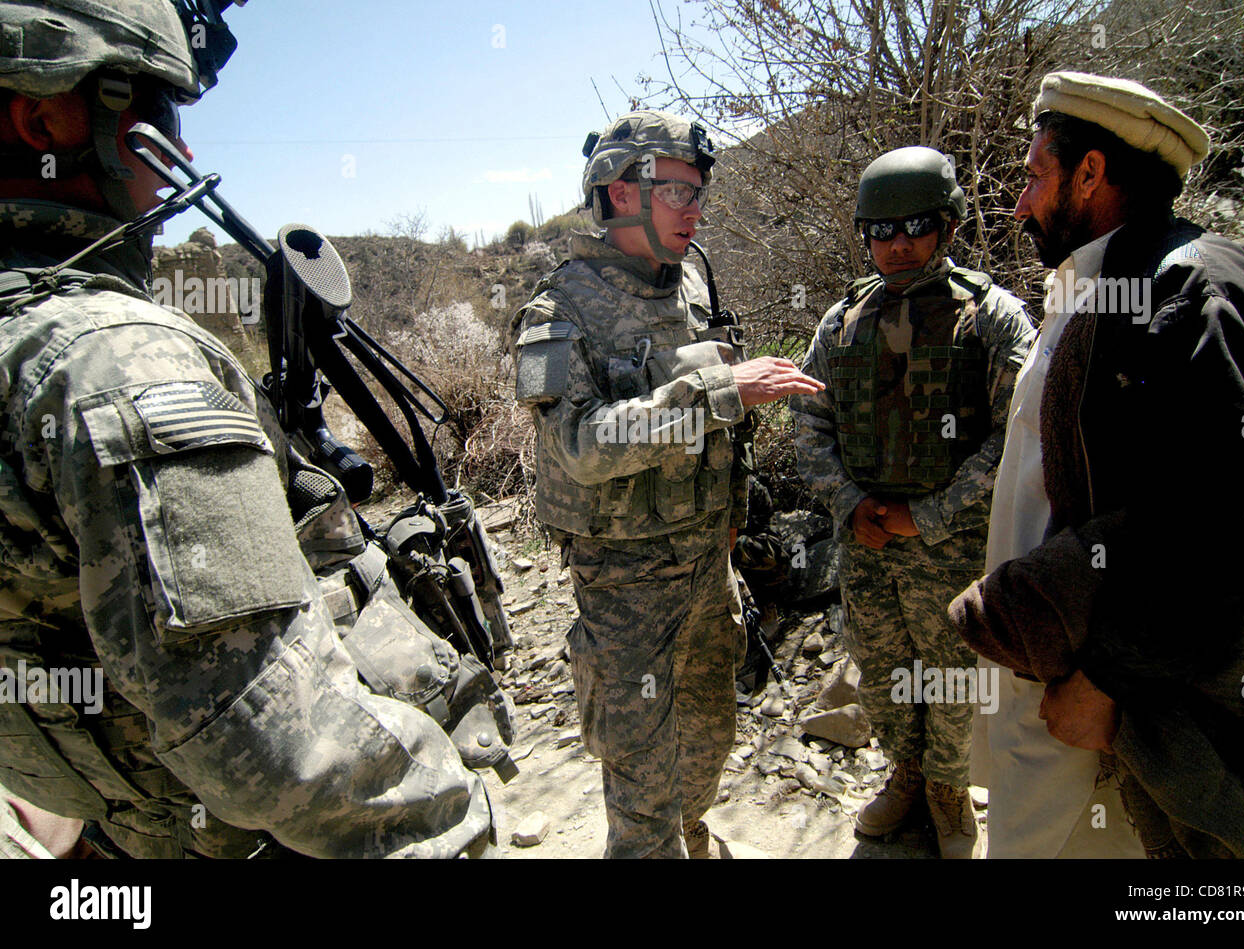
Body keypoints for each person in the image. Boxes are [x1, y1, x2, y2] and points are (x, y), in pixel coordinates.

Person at [0, 0, 500, 858]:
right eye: (155, 112)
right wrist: (455, 818)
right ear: (43, 114)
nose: (181, 152)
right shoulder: (120, 359)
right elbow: (281, 743)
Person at [948, 71, 1244, 858]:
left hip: (1104, 730)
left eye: (1035, 176)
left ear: (1092, 174)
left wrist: (1107, 680)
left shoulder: (1187, 292)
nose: (1018, 204)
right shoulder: (1105, 287)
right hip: (1065, 717)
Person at [511, 110, 822, 858]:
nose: (697, 210)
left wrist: (734, 519)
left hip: (706, 570)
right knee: (643, 797)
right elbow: (582, 446)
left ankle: (692, 835)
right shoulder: (555, 311)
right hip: (624, 587)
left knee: (709, 743)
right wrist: (716, 390)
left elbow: (724, 434)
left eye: (698, 193)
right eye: (678, 192)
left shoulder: (690, 286)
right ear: (620, 193)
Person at [790, 147, 1036, 858]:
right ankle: (906, 773)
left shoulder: (991, 317)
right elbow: (810, 421)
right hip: (865, 547)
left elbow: (1014, 438)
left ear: (949, 226)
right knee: (885, 671)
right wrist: (851, 501)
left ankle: (949, 790)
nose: (898, 245)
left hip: (950, 549)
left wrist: (923, 515)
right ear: (864, 235)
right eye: (882, 230)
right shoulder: (840, 323)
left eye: (916, 226)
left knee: (954, 679)